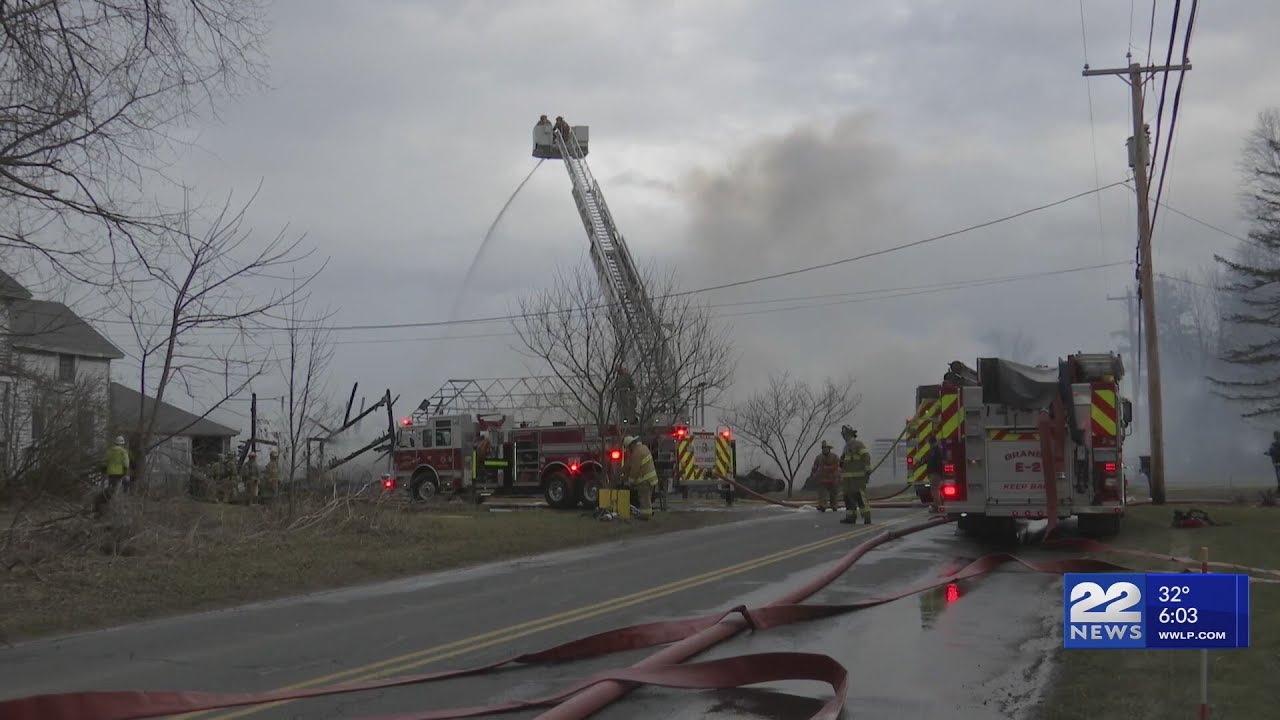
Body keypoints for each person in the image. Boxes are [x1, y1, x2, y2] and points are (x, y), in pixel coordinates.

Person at [839, 425, 872, 525]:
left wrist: (867, 470)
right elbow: (843, 461)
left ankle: (867, 517)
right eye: (843, 434)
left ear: (850, 434)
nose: (844, 436)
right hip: (848, 480)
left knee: (860, 497)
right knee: (848, 498)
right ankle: (850, 517)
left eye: (845, 434)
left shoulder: (858, 444)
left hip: (858, 479)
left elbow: (866, 456)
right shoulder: (846, 447)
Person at [621, 435, 659, 520]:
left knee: (644, 500)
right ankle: (646, 515)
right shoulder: (643, 448)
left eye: (628, 448)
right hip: (651, 479)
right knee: (646, 499)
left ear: (631, 446)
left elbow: (635, 469)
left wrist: (630, 481)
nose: (629, 450)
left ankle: (645, 517)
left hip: (644, 480)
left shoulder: (636, 453)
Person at [811, 440, 841, 512]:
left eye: (825, 448)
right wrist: (812, 474)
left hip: (833, 478)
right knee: (822, 494)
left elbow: (838, 465)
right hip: (822, 478)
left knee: (833, 494)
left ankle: (834, 505)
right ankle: (822, 505)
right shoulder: (818, 457)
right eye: (823, 448)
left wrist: (829, 468)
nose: (824, 449)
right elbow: (815, 466)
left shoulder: (834, 456)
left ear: (829, 449)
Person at [103, 436, 130, 500]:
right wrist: (125, 472)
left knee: (110, 487)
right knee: (116, 489)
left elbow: (104, 461)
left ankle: (107, 500)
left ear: (115, 443)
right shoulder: (123, 452)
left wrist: (104, 470)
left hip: (110, 473)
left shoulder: (110, 451)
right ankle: (114, 502)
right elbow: (126, 463)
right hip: (120, 473)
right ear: (122, 444)